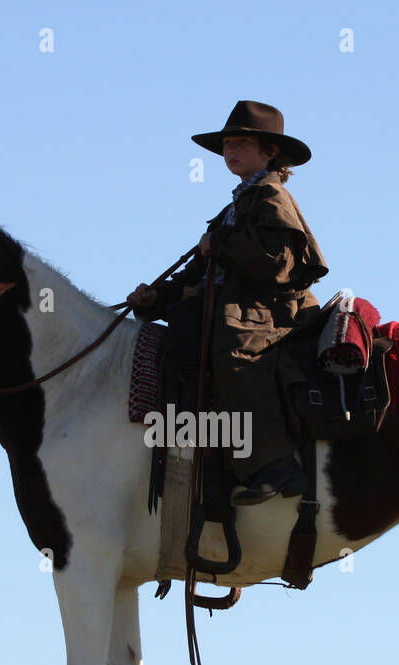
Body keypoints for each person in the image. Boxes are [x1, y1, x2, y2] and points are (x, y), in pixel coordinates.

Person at [129, 101, 329, 506]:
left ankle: (274, 466)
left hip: (270, 310)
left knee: (234, 350)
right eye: (226, 145)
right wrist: (158, 296)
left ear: (270, 152)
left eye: (240, 143)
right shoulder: (237, 203)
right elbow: (203, 273)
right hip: (242, 302)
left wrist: (219, 242)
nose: (230, 152)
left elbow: (277, 262)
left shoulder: (271, 195)